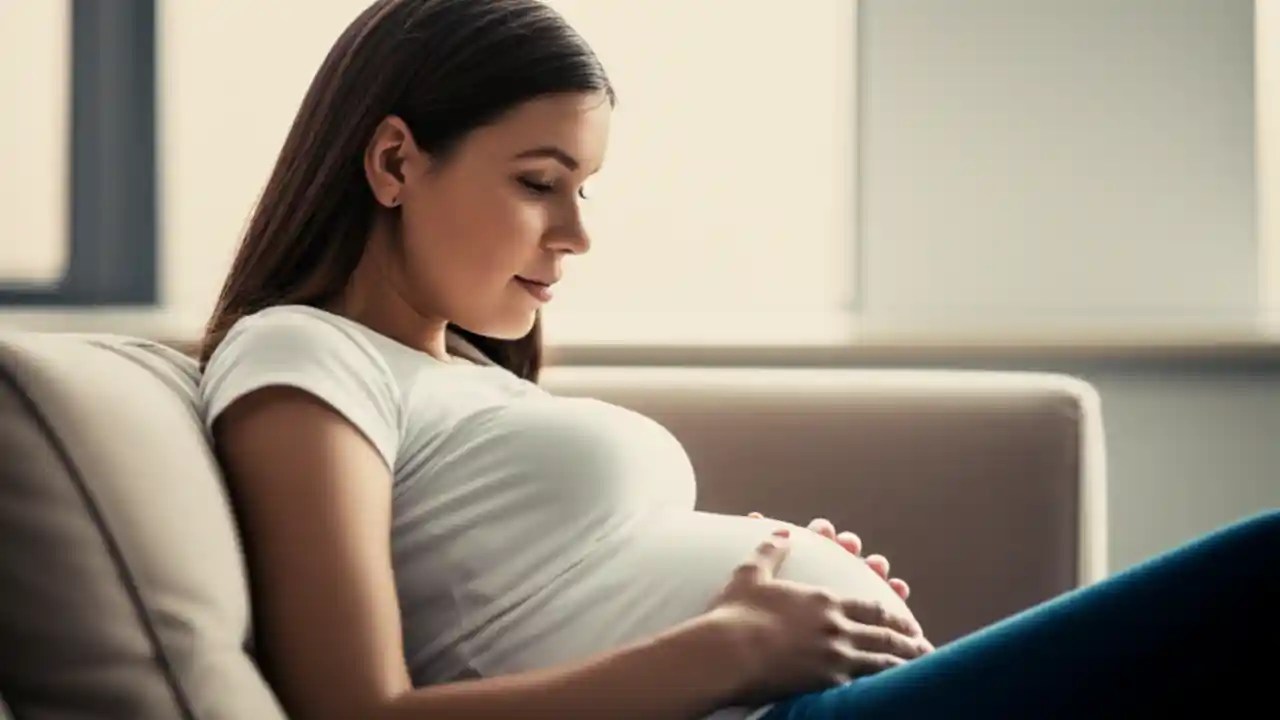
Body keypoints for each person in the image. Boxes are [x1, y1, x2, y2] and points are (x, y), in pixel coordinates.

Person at [197, 1, 1279, 719]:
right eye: (538, 181)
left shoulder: (460, 375)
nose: (576, 233)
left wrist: (783, 601)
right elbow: (352, 714)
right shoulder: (304, 355)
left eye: (585, 189)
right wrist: (728, 647)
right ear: (394, 161)